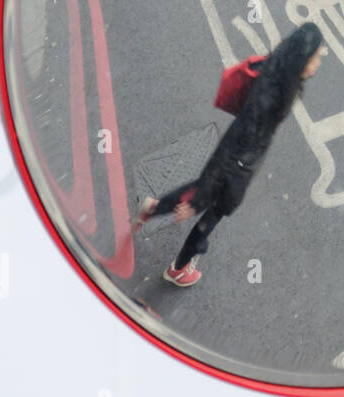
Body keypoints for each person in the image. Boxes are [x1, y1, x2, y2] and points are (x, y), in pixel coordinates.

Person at [132, 23, 326, 287]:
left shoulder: (278, 72)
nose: (317, 64)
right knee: (213, 212)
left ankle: (155, 208)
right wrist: (197, 201)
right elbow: (233, 146)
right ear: (301, 59)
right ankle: (178, 268)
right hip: (236, 166)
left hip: (240, 160)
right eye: (315, 58)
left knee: (207, 196)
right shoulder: (273, 97)